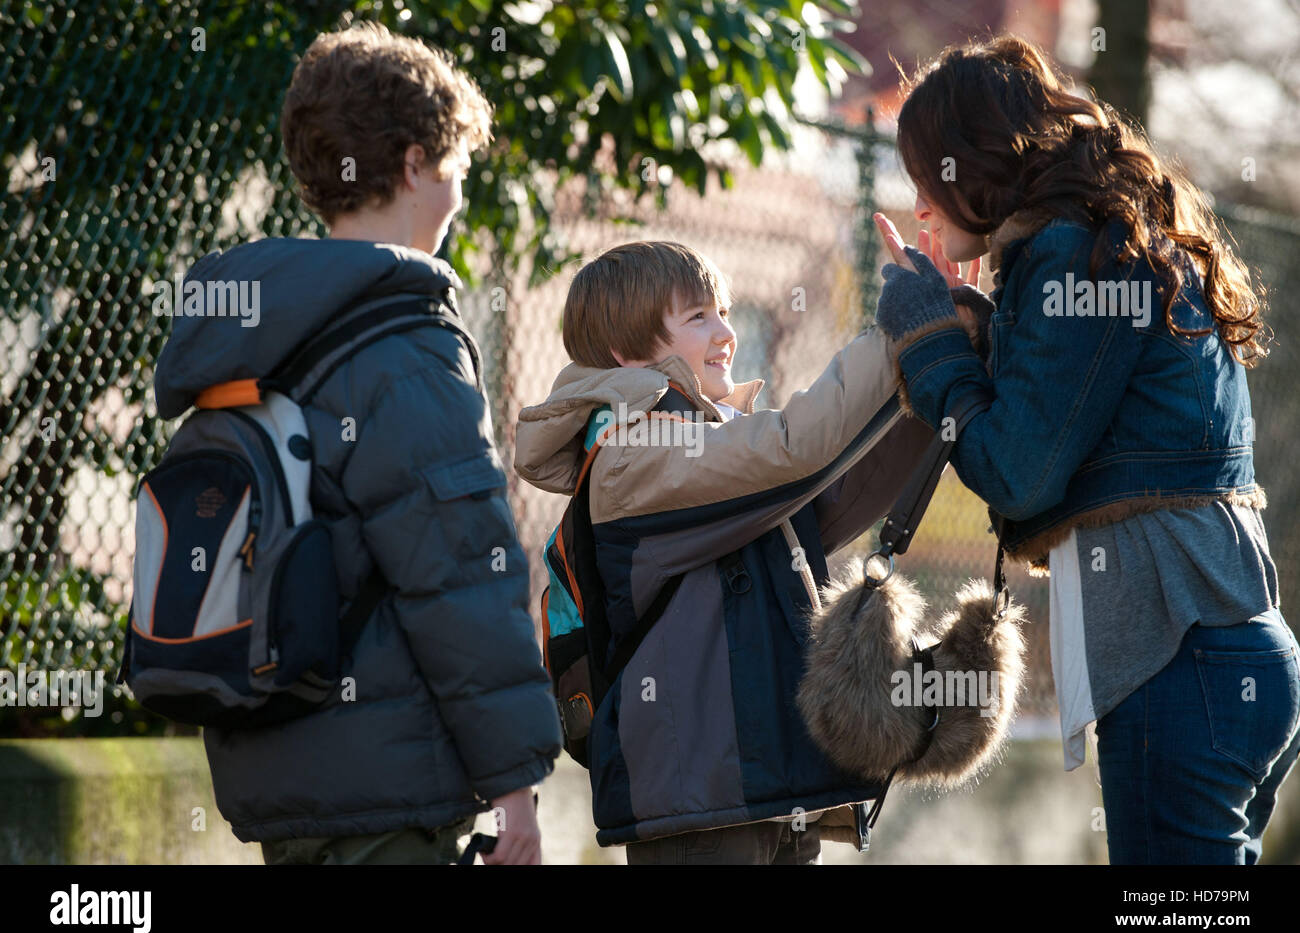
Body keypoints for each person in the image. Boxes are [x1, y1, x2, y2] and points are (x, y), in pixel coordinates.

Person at [871, 34, 1300, 864]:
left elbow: (1016, 472)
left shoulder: (1077, 250)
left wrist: (929, 343)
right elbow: (1067, 407)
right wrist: (974, 329)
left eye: (932, 177)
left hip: (1185, 669)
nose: (921, 203)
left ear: (980, 163)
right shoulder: (1103, 242)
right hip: (1229, 658)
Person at [153, 22, 561, 865]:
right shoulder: (405, 342)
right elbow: (458, 573)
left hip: (275, 768)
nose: (456, 194)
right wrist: (516, 786)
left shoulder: (257, 331)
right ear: (414, 164)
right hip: (391, 789)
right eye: (453, 168)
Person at [514, 240, 934, 863]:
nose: (728, 333)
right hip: (700, 813)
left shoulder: (707, 442)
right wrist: (897, 332)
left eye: (724, 311)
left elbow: (836, 497)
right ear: (627, 352)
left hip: (767, 792)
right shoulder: (633, 456)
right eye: (698, 318)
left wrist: (937, 359)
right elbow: (794, 450)